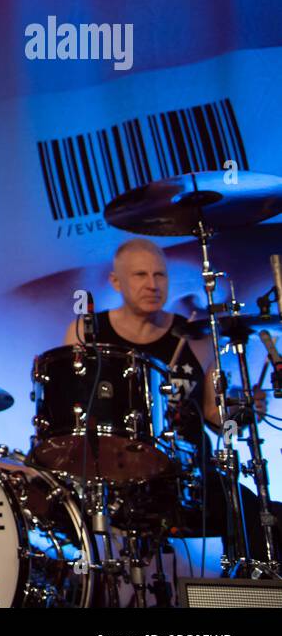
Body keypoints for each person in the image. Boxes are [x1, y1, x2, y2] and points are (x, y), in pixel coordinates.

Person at [65, 237, 279, 563]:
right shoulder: (88, 332)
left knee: (252, 510)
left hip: (187, 476)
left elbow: (217, 419)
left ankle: (241, 588)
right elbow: (73, 413)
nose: (152, 285)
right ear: (116, 281)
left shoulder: (196, 338)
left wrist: (245, 413)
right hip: (115, 476)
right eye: (140, 275)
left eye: (159, 275)